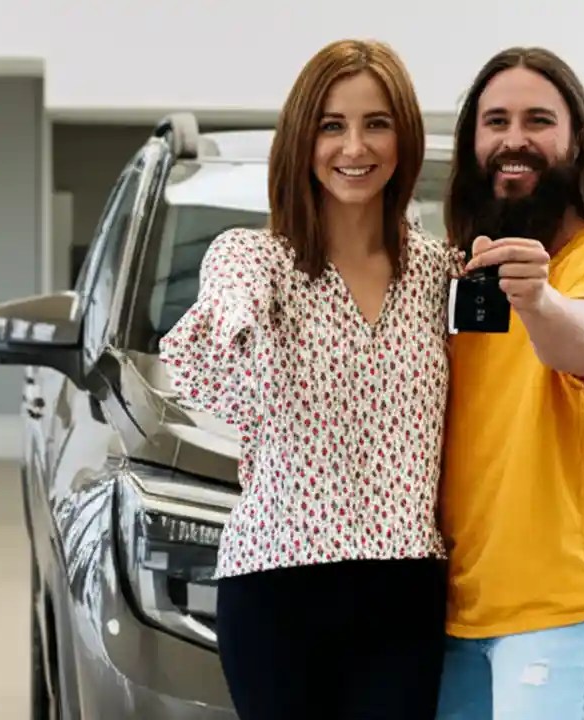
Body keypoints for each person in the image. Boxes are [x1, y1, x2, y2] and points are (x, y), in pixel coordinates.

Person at [158, 39, 451, 719]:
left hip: (407, 590)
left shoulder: (442, 274)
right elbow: (220, 320)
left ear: (404, 136)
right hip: (277, 588)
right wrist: (237, 318)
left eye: (376, 122)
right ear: (301, 140)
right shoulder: (255, 259)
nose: (355, 146)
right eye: (331, 124)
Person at [435, 46, 584, 720]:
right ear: (473, 142)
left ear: (578, 142)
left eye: (539, 120)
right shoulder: (467, 271)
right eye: (495, 120)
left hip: (561, 605)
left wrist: (539, 301)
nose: (515, 139)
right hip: (458, 611)